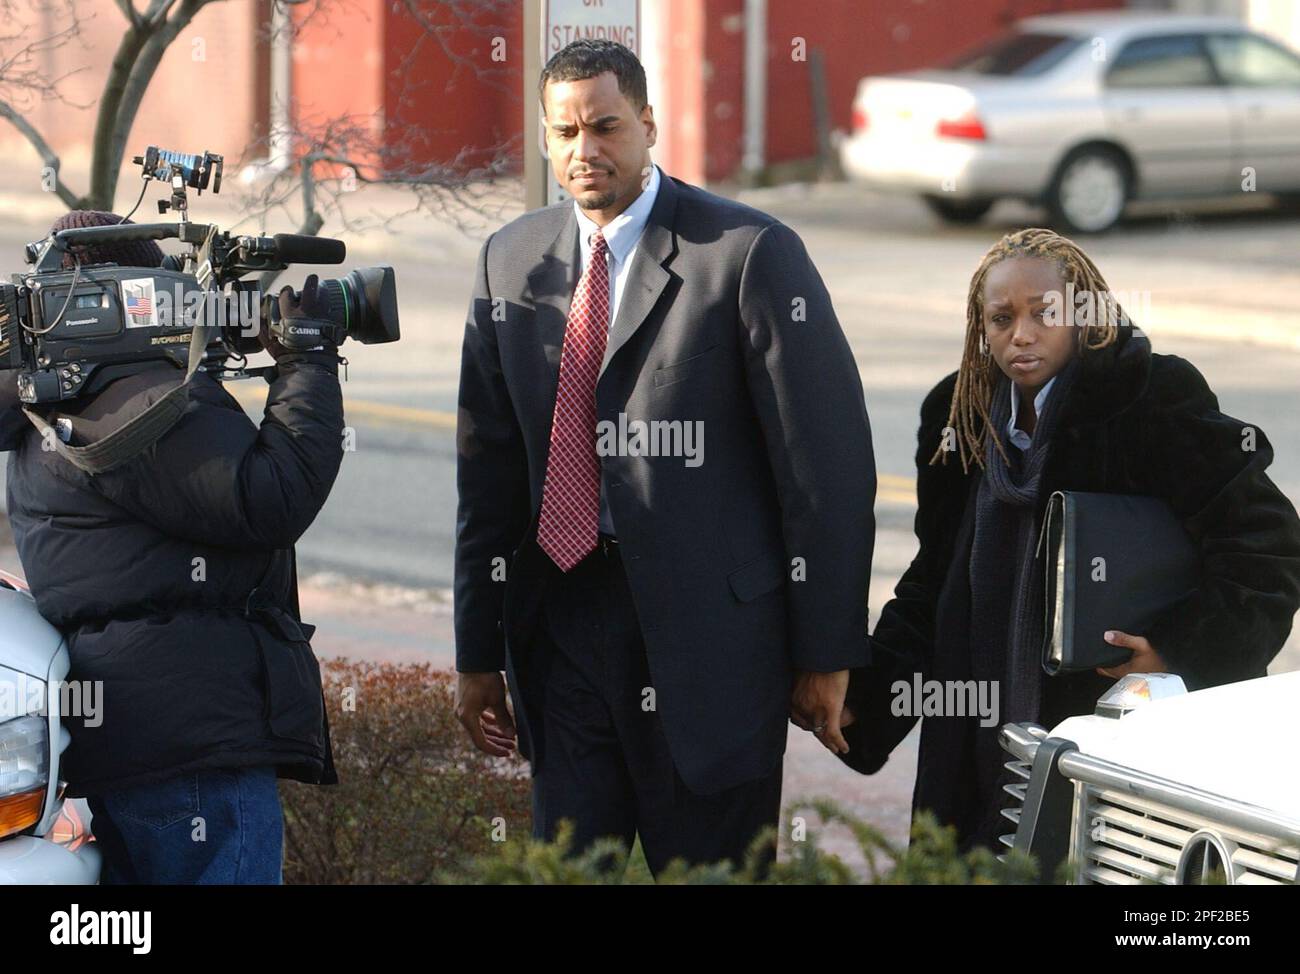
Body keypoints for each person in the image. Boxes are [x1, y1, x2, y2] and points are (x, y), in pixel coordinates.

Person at [454, 39, 875, 876]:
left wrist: (826, 652)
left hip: (712, 650)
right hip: (563, 627)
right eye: (565, 132)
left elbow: (823, 470)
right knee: (573, 870)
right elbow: (489, 476)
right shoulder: (510, 260)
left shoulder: (748, 253)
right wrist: (476, 655)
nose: (586, 150)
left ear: (647, 123)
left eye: (606, 126)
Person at [837, 226, 1300, 853]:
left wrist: (1181, 650)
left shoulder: (1151, 397)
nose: (1020, 334)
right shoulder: (959, 415)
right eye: (1000, 319)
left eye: (1044, 313)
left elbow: (1266, 544)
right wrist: (866, 697)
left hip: (1114, 729)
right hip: (974, 737)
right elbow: (934, 581)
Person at [0, 209, 347, 884]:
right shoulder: (130, 396)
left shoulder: (55, 401)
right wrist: (308, 359)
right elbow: (267, 498)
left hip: (146, 738)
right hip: (192, 750)